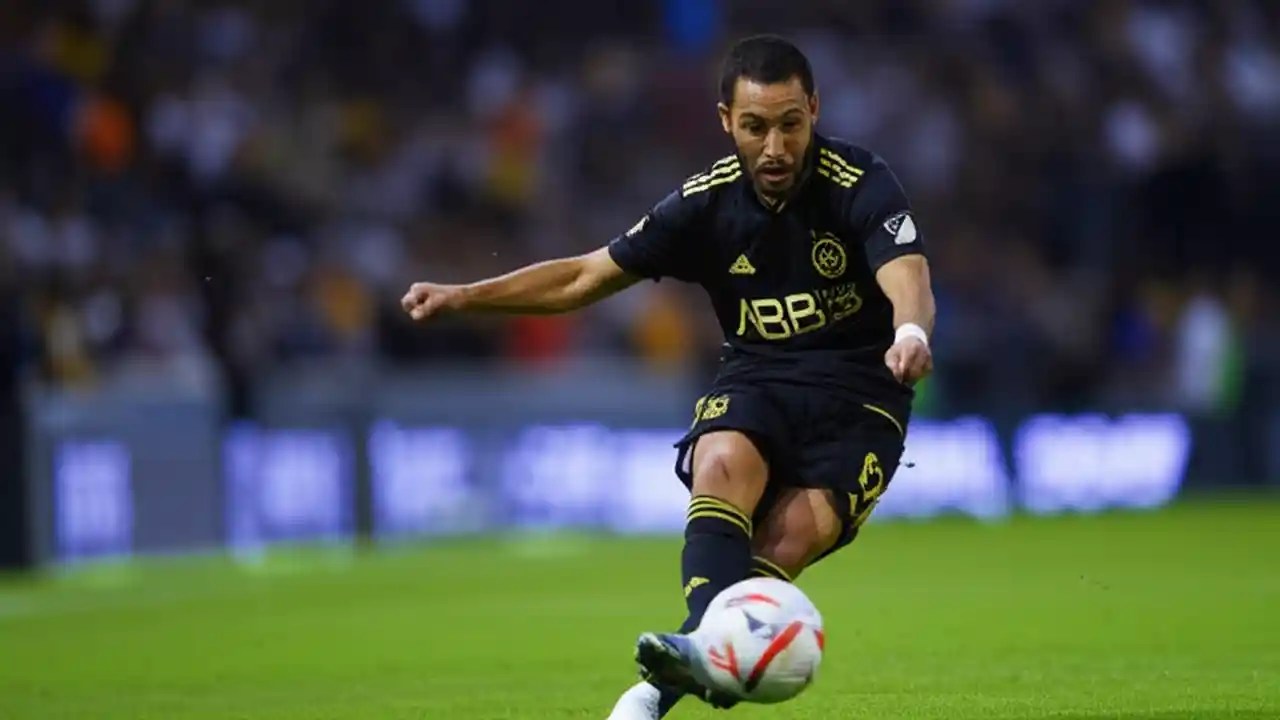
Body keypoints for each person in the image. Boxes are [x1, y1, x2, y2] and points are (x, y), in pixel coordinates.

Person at [401, 35, 936, 719]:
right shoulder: (704, 203)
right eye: (754, 127)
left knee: (793, 539)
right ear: (725, 122)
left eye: (790, 124)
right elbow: (587, 275)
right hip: (760, 374)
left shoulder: (860, 180)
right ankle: (700, 659)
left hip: (865, 392)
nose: (774, 147)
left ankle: (667, 680)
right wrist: (466, 297)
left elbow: (908, 275)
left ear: (814, 110)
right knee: (722, 458)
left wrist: (910, 331)